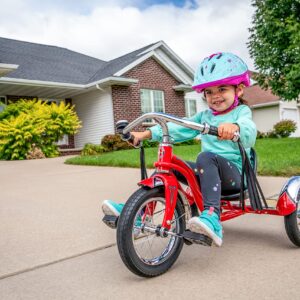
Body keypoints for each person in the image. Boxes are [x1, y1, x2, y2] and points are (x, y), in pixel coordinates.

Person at [102, 52, 257, 247]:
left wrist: (236, 127)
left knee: (206, 157)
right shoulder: (204, 116)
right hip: (209, 173)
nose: (215, 96)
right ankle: (140, 213)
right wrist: (145, 134)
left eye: (222, 89)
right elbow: (179, 127)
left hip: (235, 175)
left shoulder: (241, 112)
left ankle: (212, 218)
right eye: (209, 92)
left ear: (239, 89)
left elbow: (250, 132)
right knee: (171, 165)